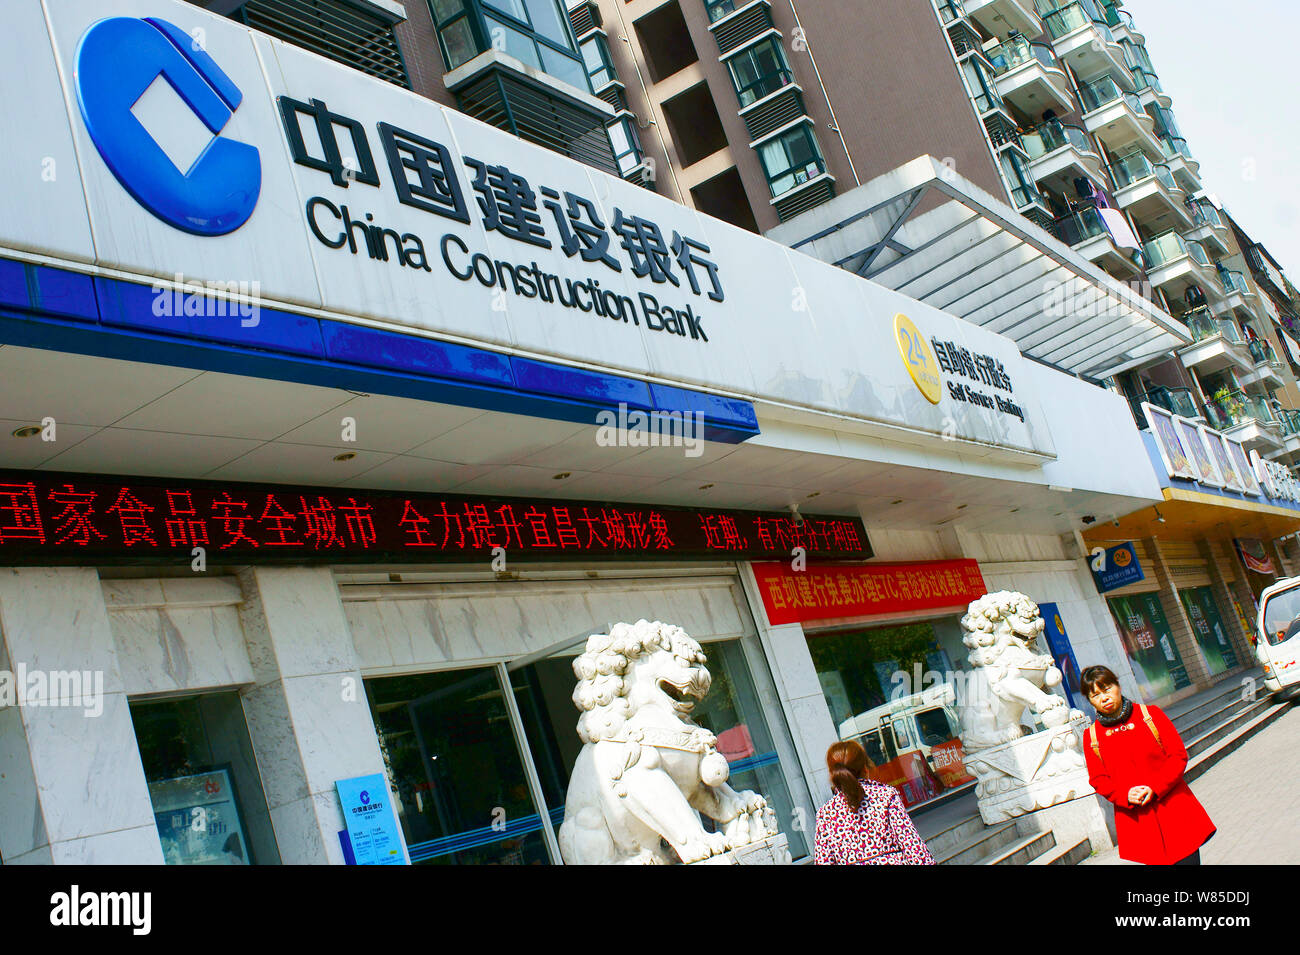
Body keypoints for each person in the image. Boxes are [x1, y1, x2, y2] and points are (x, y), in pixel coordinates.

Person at [1080, 665, 1215, 865]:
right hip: (1140, 822)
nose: (1104, 698)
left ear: (1118, 685)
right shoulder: (1092, 736)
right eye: (1095, 695)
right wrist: (1124, 795)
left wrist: (1155, 787)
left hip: (1174, 811)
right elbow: (1098, 779)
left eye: (1107, 689)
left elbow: (1178, 756)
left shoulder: (1150, 715)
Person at [814, 740, 935, 865]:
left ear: (833, 774)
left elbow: (824, 861)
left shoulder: (825, 814)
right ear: (865, 768)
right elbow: (912, 846)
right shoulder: (886, 796)